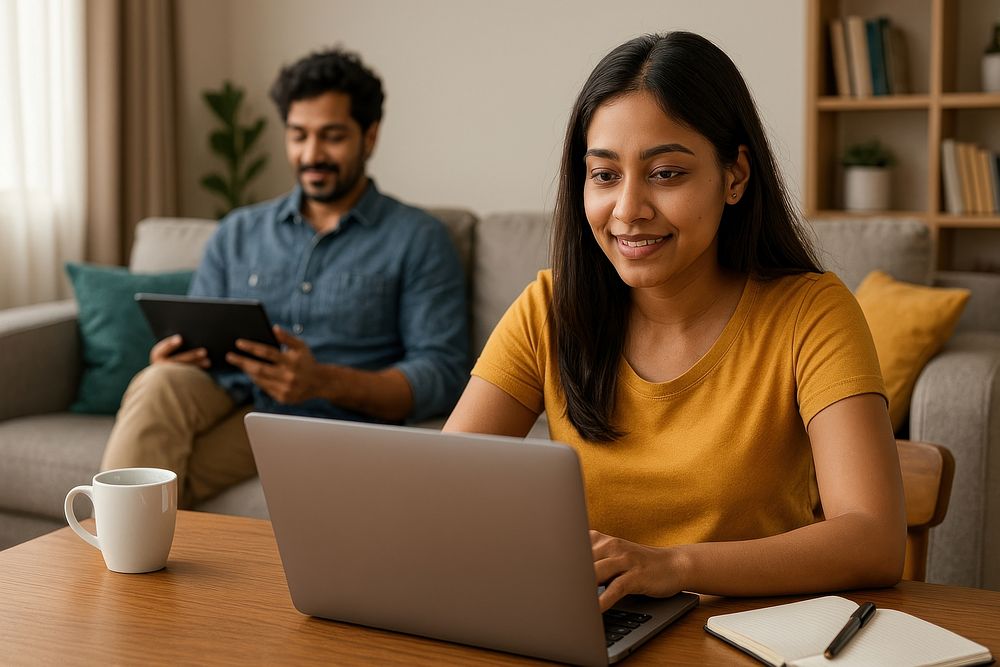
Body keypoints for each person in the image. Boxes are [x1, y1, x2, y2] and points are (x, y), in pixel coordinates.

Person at [444, 32, 906, 611]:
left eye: (665, 173)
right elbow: (445, 494)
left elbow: (875, 539)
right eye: (605, 175)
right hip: (594, 629)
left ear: (734, 176)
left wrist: (673, 565)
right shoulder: (550, 309)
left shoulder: (810, 312)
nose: (628, 209)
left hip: (749, 632)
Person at [102, 48, 468, 507]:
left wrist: (322, 381)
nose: (311, 154)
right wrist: (177, 354)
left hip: (330, 423)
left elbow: (441, 374)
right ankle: (113, 557)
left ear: (369, 136)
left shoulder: (418, 238)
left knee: (157, 485)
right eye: (298, 135)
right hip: (233, 397)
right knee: (159, 381)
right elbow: (201, 331)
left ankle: (114, 549)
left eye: (332, 137)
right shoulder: (238, 231)